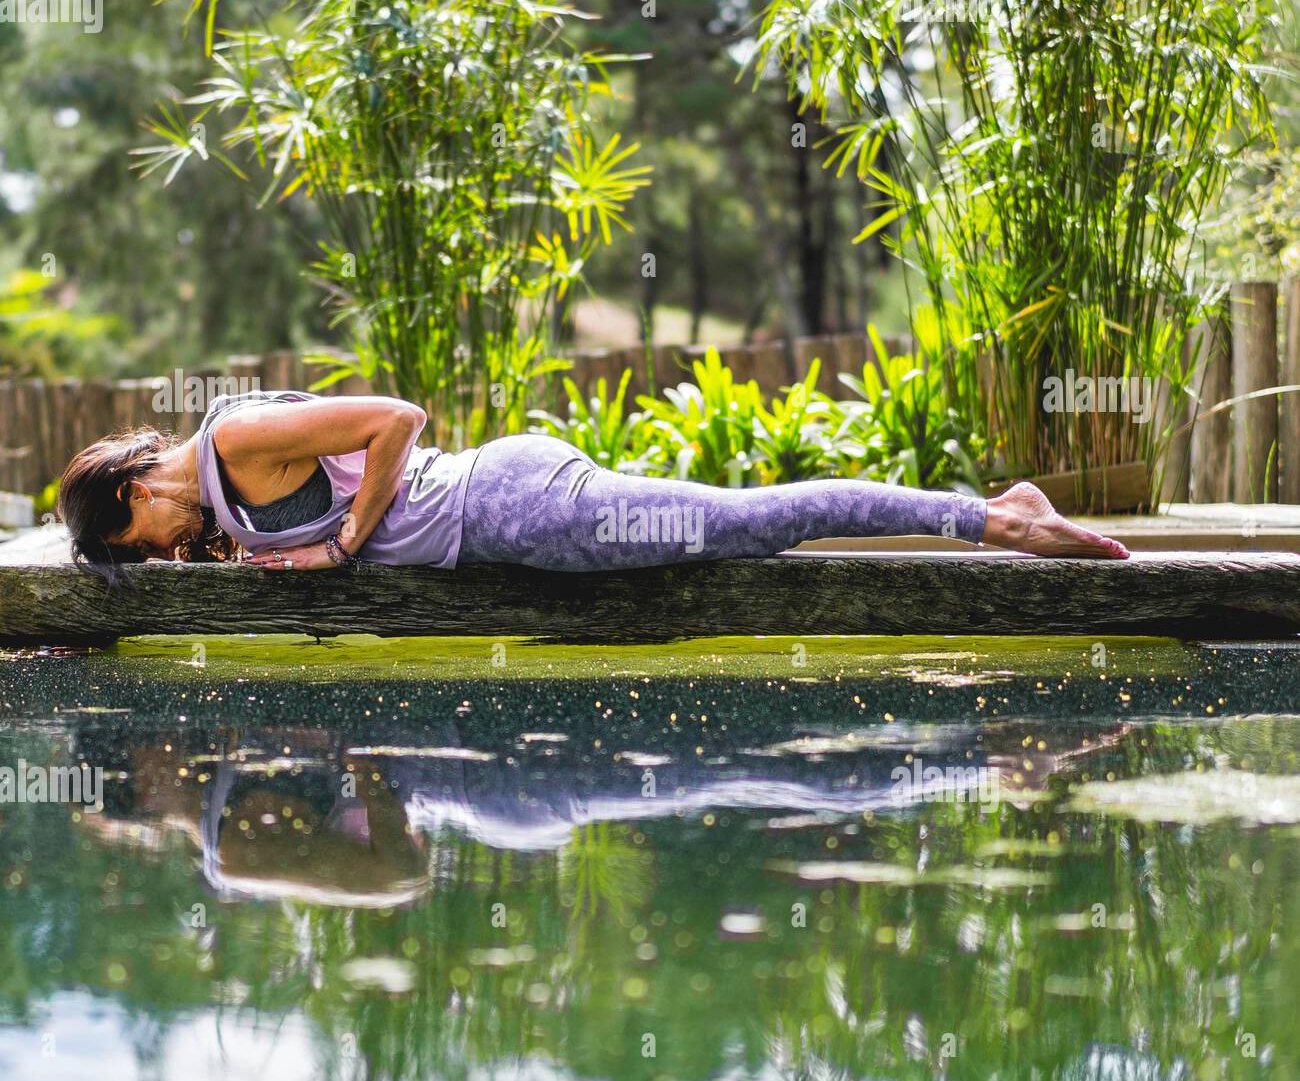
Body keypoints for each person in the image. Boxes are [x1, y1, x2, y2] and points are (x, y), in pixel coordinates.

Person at [58, 390, 1129, 572]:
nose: (155, 555)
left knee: (756, 524)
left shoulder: (235, 437)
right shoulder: (221, 503)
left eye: (132, 544)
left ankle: (996, 517)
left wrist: (343, 544)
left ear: (133, 494)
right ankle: (992, 511)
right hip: (512, 521)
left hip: (517, 502)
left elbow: (397, 420)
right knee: (750, 527)